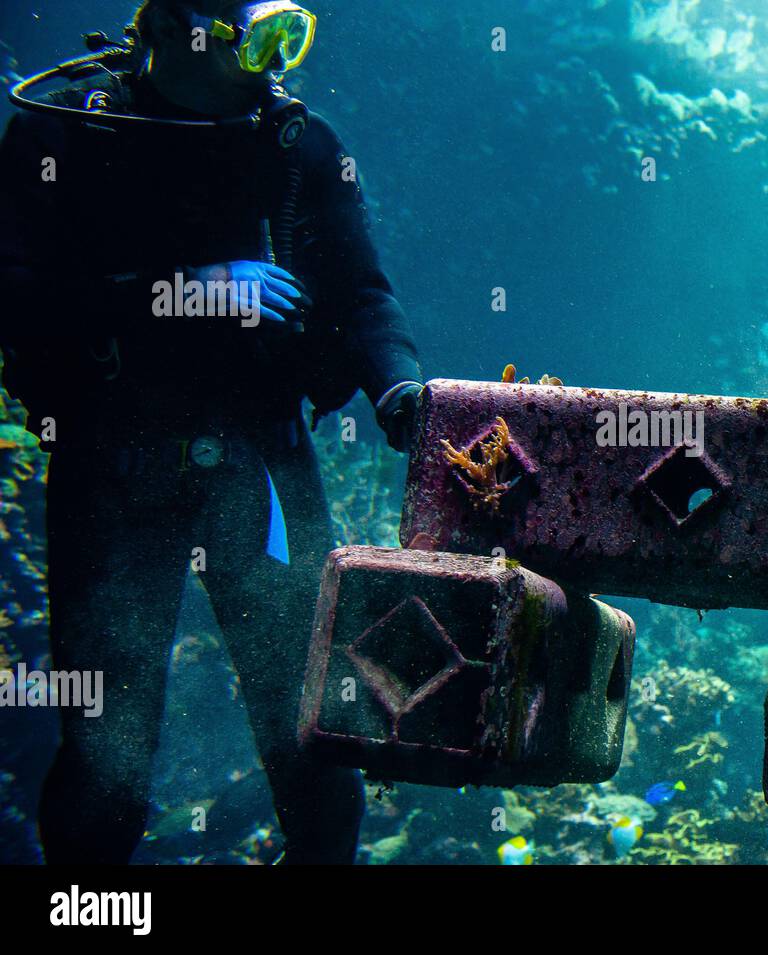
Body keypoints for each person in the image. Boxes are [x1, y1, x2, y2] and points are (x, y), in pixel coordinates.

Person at [0, 0, 424, 863]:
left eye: (288, 36)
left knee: (313, 731)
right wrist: (184, 289)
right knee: (103, 747)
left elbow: (361, 293)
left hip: (263, 464)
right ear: (161, 32)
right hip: (111, 471)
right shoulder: (59, 141)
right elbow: (16, 301)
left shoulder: (299, 145)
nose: (274, 63)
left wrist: (402, 390)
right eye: (253, 39)